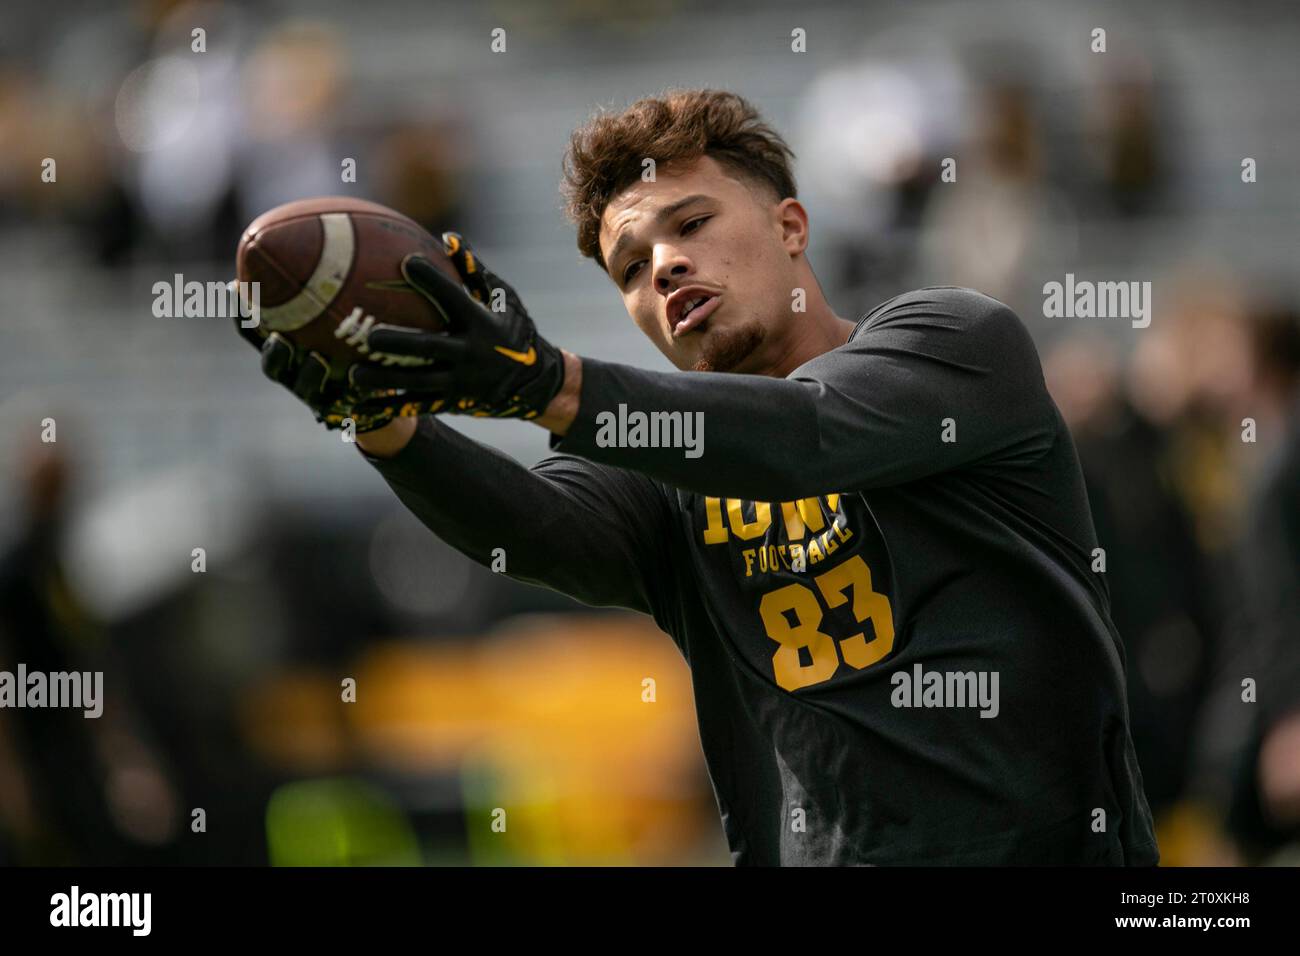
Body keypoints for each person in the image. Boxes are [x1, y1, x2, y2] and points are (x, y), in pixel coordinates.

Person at [236, 88, 1159, 866]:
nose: (666, 266)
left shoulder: (955, 341)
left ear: (791, 226)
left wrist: (548, 381)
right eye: (630, 266)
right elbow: (538, 529)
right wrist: (387, 424)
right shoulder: (669, 471)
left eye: (693, 224)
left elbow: (809, 434)